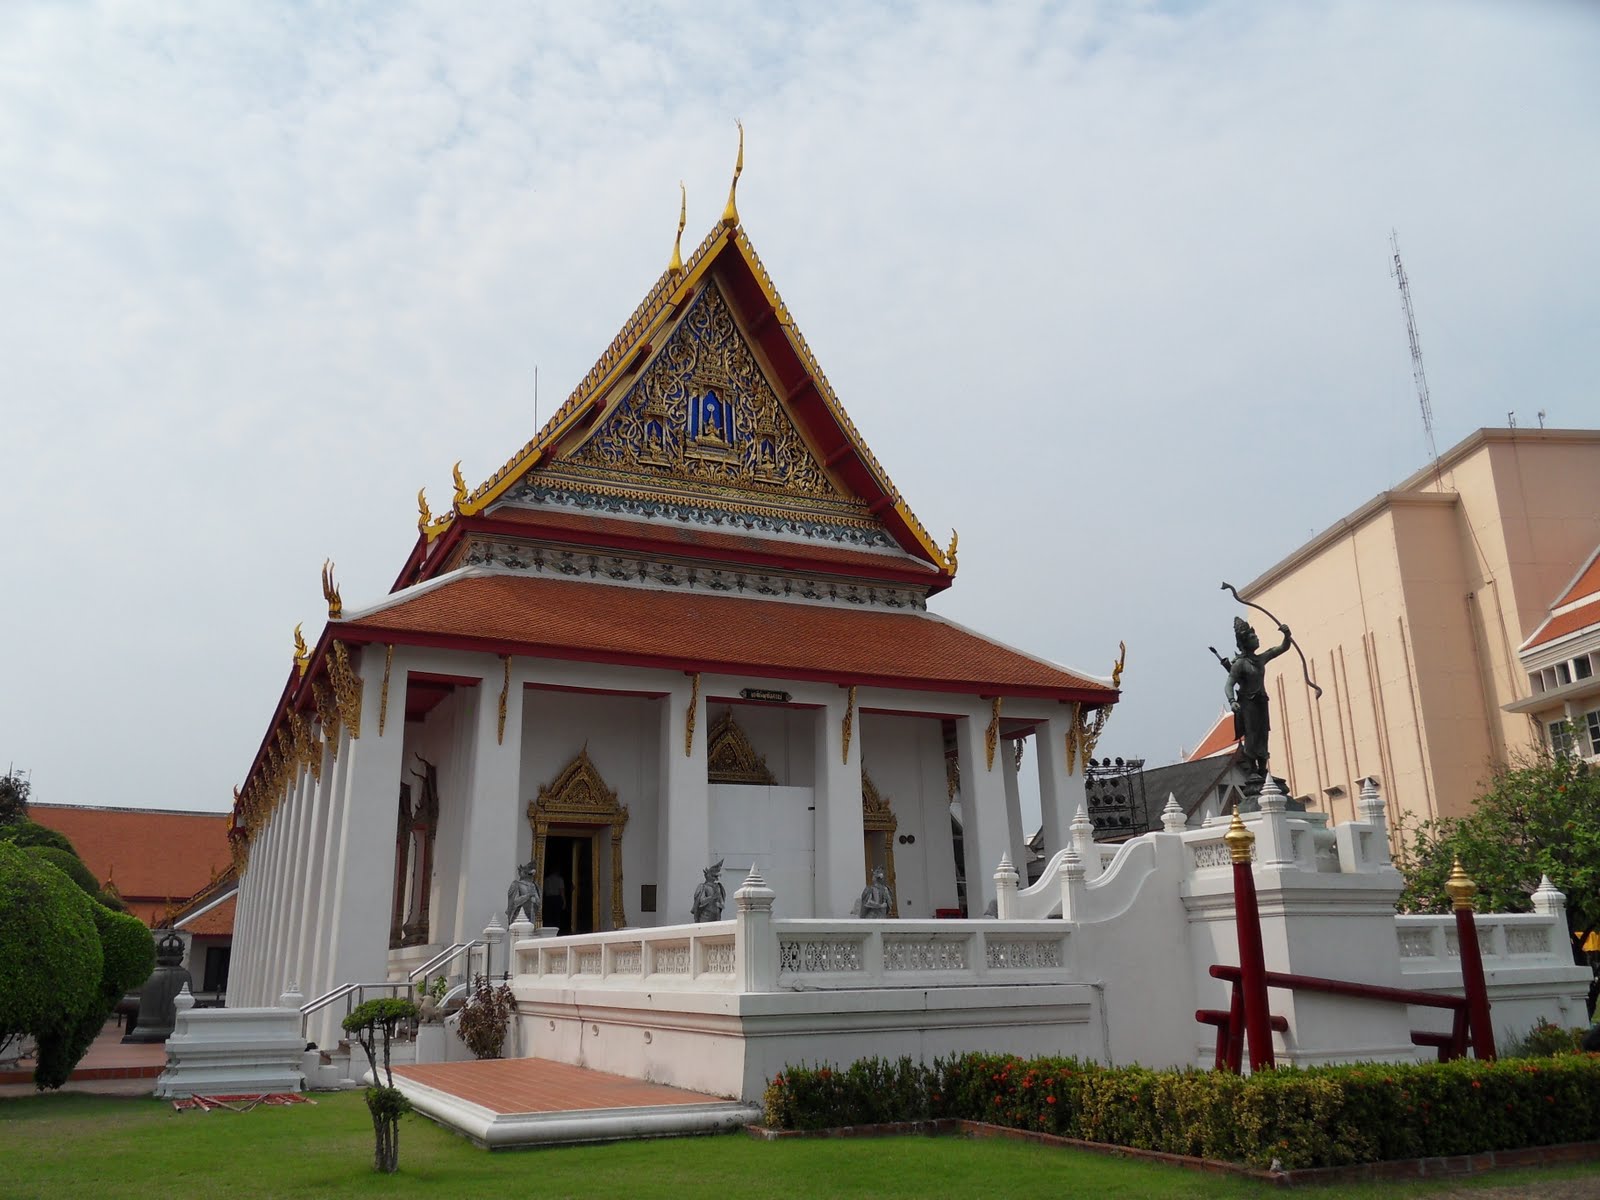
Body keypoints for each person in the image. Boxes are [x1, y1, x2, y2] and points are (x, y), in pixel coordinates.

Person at [1224, 616, 1292, 795]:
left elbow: (1282, 648)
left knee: (1263, 733)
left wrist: (1287, 635)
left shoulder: (1261, 658)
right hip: (1247, 703)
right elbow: (1229, 684)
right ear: (1245, 642)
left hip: (1261, 701)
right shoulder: (1240, 664)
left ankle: (1263, 768)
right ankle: (1253, 769)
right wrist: (1232, 701)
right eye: (1253, 637)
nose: (1257, 639)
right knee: (1252, 734)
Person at [505, 861, 540, 928]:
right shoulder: (517, 884)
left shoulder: (534, 885)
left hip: (531, 914)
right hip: (519, 915)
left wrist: (535, 900)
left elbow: (538, 902)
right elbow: (515, 902)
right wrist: (528, 896)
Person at [543, 865, 566, 934]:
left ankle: (549, 932)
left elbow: (544, 890)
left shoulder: (546, 879)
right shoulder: (559, 879)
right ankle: (557, 932)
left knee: (549, 916)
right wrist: (564, 901)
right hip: (556, 898)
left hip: (548, 899)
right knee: (557, 916)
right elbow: (561, 891)